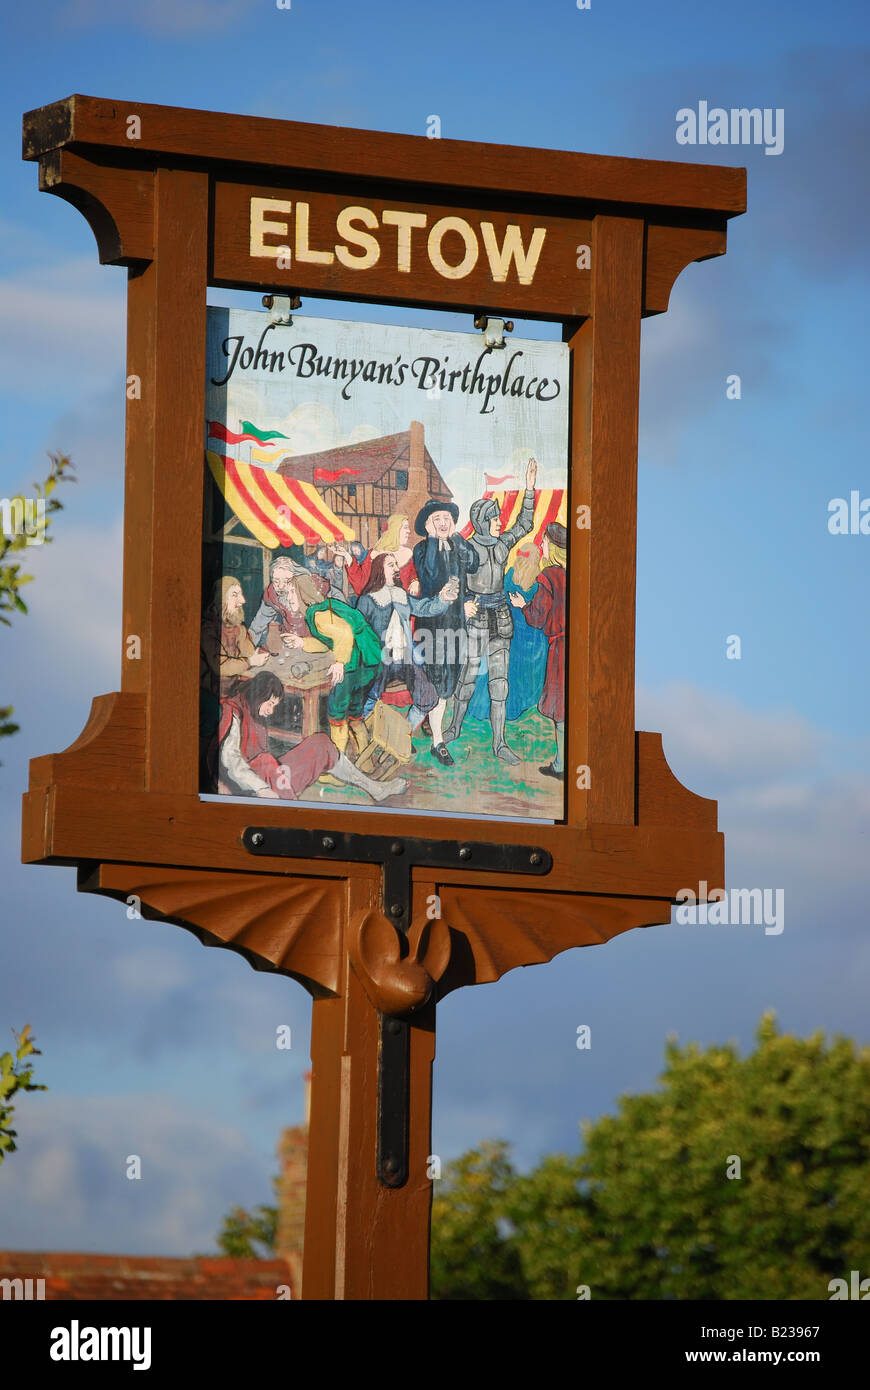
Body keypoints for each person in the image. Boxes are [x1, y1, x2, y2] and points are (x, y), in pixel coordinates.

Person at [444, 458, 537, 763]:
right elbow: (452, 584)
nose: (500, 522)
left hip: (501, 618)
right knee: (467, 678)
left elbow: (525, 524)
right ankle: (454, 727)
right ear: (483, 521)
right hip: (476, 619)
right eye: (495, 518)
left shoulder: (501, 545)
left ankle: (499, 743)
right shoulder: (465, 548)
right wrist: (462, 607)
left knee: (500, 685)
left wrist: (530, 490)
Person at [213, 670, 408, 802]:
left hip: (271, 776)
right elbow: (232, 764)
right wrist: (261, 789)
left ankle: (375, 789)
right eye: (270, 704)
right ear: (259, 696)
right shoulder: (232, 711)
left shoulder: (254, 707)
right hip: (248, 786)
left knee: (321, 744)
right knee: (266, 761)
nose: (271, 711)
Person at [281, 568, 383, 757]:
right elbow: (330, 640)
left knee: (337, 714)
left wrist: (340, 663)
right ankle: (364, 757)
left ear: (302, 593)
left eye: (291, 592)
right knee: (354, 713)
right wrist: (302, 642)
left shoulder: (317, 614)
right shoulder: (325, 607)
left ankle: (338, 765)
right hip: (369, 664)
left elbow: (344, 633)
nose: (288, 598)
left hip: (353, 666)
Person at [412, 500, 480, 767]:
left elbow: (473, 564)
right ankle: (437, 742)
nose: (443, 522)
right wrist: (431, 540)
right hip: (432, 627)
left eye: (446, 518)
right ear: (428, 524)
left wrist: (467, 602)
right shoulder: (421, 549)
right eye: (437, 518)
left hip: (456, 626)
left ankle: (428, 729)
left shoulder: (456, 545)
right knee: (436, 685)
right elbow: (428, 576)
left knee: (448, 684)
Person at [356, 552, 458, 729]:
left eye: (396, 564)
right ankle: (359, 732)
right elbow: (358, 633)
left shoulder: (401, 595)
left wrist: (442, 599)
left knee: (427, 695)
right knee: (370, 693)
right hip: (378, 659)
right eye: (391, 565)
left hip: (405, 658)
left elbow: (425, 607)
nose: (396, 569)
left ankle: (404, 733)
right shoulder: (367, 600)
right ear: (379, 569)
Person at [509, 520, 567, 780]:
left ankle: (562, 763)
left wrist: (523, 605)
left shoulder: (549, 576)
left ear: (553, 547)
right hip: (574, 645)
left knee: (561, 708)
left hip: (560, 648)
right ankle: (562, 761)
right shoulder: (573, 573)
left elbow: (538, 616)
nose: (542, 545)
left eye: (544, 541)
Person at [468, 540, 548, 722]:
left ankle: (489, 707)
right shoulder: (538, 582)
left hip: (511, 628)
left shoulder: (511, 575)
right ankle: (515, 708)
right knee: (516, 671)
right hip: (530, 634)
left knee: (502, 669)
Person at [200, 576, 270, 699]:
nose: (242, 600)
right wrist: (250, 662)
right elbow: (220, 667)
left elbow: (249, 653)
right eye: (234, 595)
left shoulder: (238, 627)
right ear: (220, 599)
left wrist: (254, 657)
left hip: (237, 685)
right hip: (216, 693)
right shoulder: (208, 629)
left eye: (241, 594)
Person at [248, 555, 329, 650]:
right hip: (290, 641)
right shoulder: (271, 595)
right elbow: (258, 625)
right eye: (276, 581)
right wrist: (247, 650)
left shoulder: (306, 586)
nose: (281, 586)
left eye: (287, 581)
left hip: (315, 642)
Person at [340, 514, 418, 597]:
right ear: (395, 529)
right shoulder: (374, 554)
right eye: (405, 527)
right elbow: (361, 585)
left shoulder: (407, 553)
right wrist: (348, 558)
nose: (409, 531)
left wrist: (415, 582)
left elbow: (413, 573)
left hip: (405, 602)